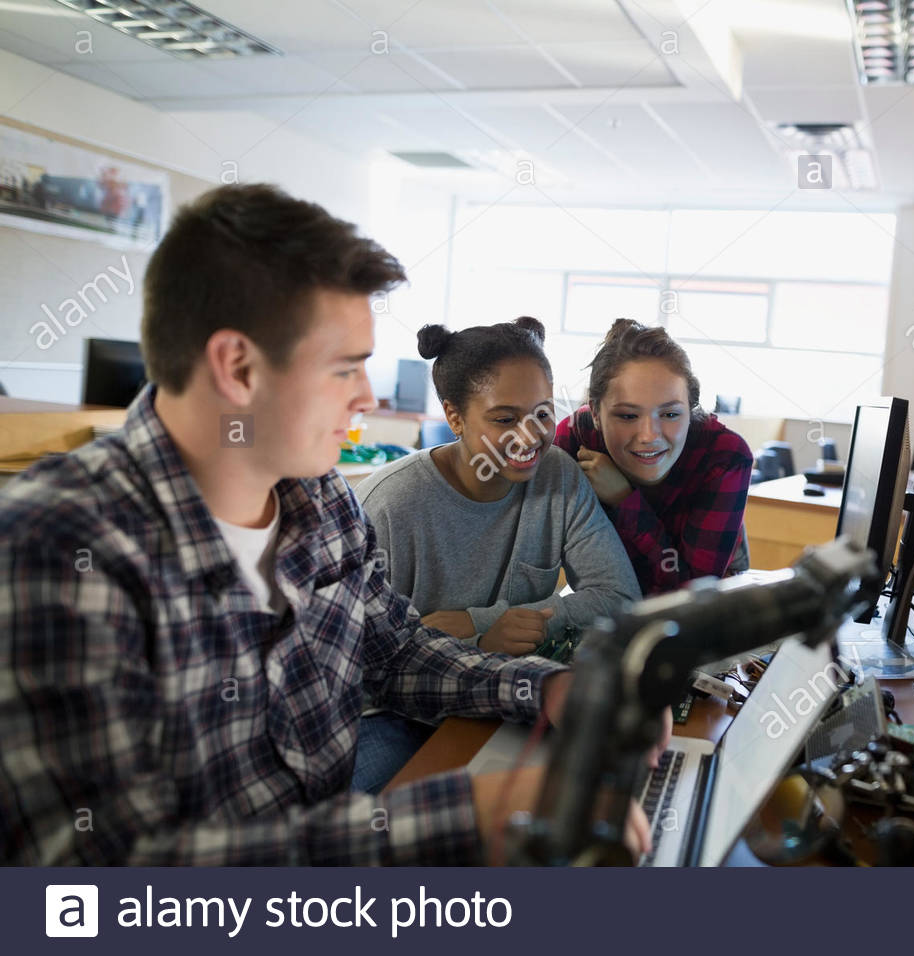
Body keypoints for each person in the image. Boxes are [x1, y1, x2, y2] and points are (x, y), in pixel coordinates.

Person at [0, 183, 652, 865]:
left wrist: (547, 689)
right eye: (345, 367)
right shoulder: (61, 542)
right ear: (237, 367)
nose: (367, 396)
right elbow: (104, 871)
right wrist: (457, 818)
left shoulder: (322, 501)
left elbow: (396, 653)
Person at [350, 316, 640, 792]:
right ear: (455, 415)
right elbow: (364, 667)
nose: (530, 437)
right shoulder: (389, 506)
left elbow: (618, 597)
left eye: (543, 413)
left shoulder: (558, 477)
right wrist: (482, 646)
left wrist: (484, 622)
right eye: (505, 419)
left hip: (503, 697)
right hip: (390, 714)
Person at [554, 319, 753, 596]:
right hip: (606, 606)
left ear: (691, 408)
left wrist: (625, 501)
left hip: (702, 604)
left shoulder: (724, 456)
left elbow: (688, 595)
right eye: (627, 416)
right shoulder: (575, 437)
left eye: (670, 414)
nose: (649, 435)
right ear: (596, 414)